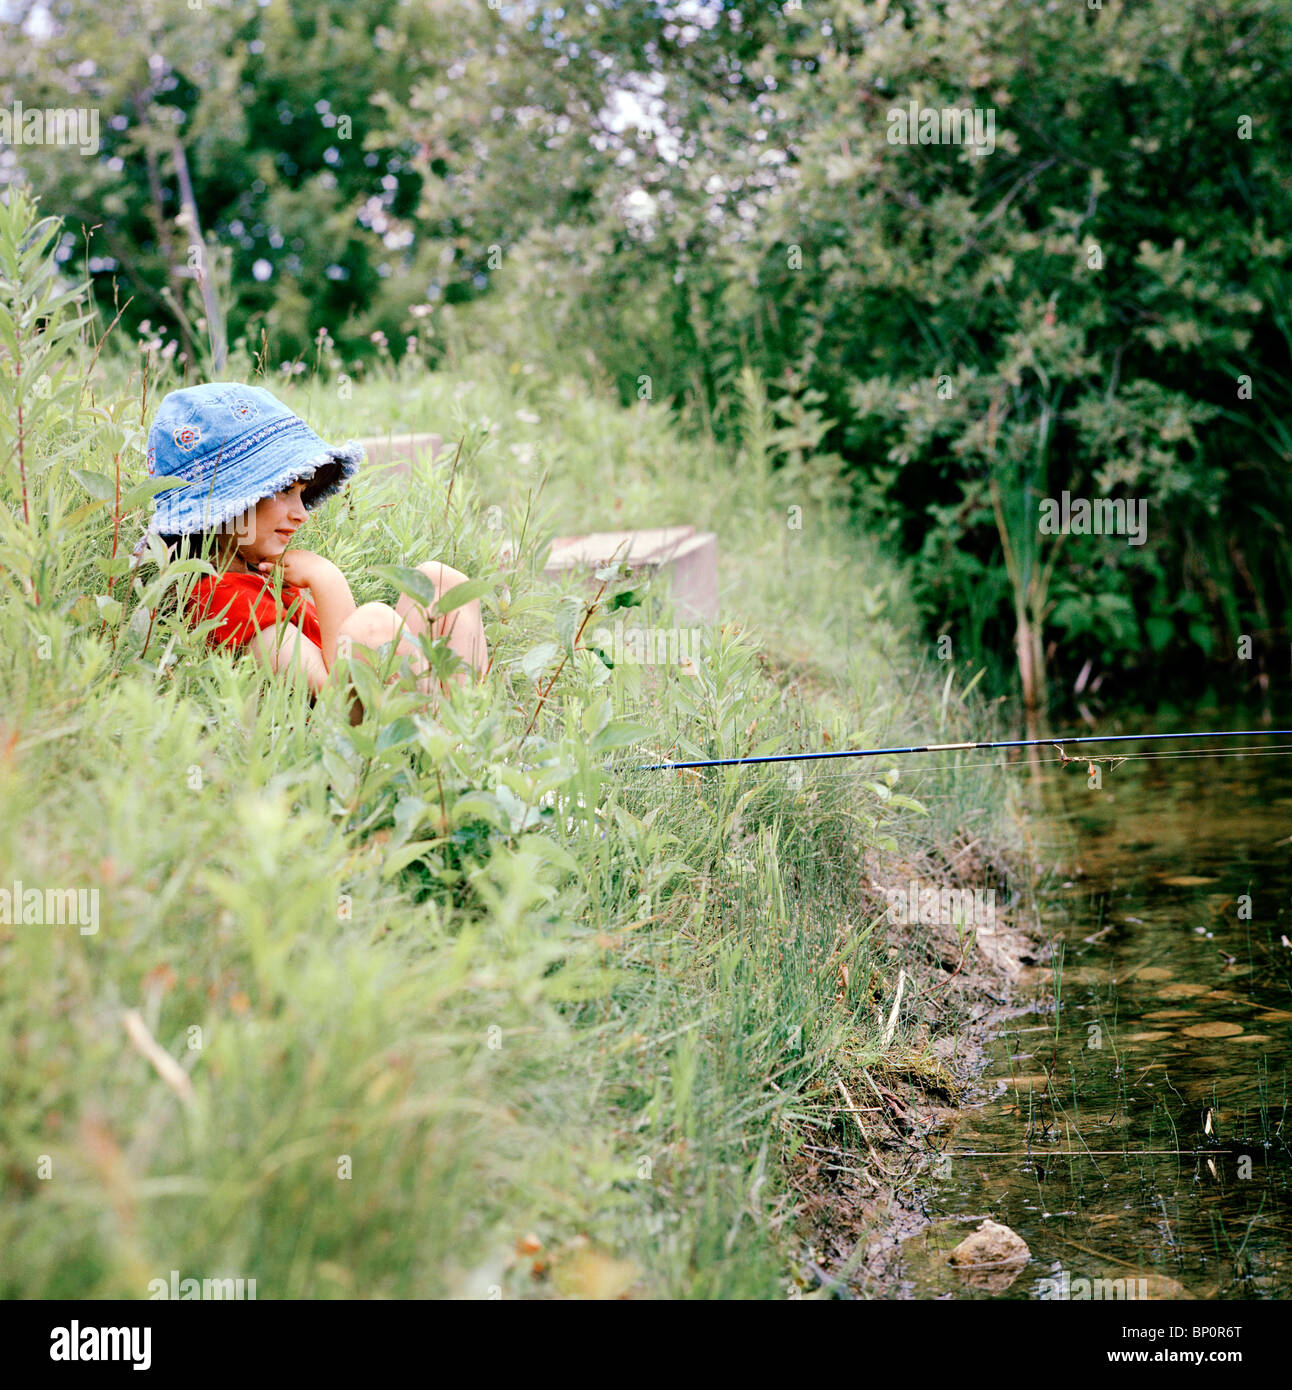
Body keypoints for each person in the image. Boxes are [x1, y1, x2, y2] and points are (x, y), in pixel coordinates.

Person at [132, 383, 488, 720]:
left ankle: (461, 736)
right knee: (372, 623)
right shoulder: (216, 597)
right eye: (283, 491)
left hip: (377, 712)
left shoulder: (261, 576)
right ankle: (444, 751)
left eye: (302, 493)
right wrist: (325, 577)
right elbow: (333, 694)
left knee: (440, 581)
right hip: (342, 736)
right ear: (225, 505)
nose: (301, 513)